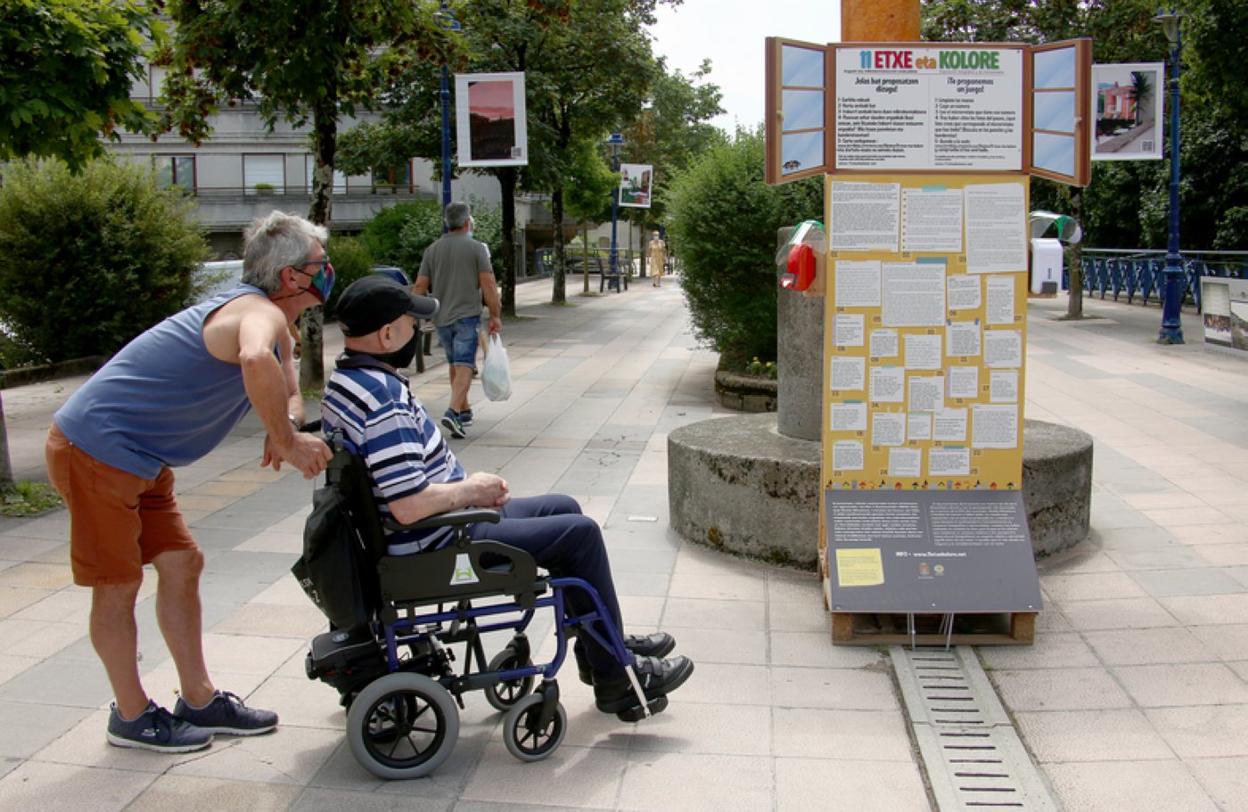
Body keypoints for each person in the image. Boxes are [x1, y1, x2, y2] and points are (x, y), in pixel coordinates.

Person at [321, 276, 694, 717]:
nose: (418, 330)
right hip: (437, 542)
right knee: (581, 534)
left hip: (431, 531)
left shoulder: (347, 382)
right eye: (410, 322)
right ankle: (617, 676)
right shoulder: (382, 399)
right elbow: (408, 505)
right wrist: (471, 491)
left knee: (563, 508)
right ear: (387, 334)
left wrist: (467, 493)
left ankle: (602, 648)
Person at [45, 211, 336, 753]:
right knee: (119, 584)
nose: (329, 272)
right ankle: (131, 717)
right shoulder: (256, 312)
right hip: (94, 450)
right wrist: (291, 446)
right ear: (293, 276)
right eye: (322, 264)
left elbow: (286, 381)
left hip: (142, 459)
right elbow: (253, 356)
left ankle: (199, 699)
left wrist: (285, 426)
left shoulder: (278, 322)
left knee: (182, 562)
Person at [413, 201, 502, 440]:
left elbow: (421, 285)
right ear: (466, 222)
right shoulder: (476, 248)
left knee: (455, 364)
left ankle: (463, 410)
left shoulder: (432, 250)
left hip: (441, 316)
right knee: (465, 363)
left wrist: (409, 313)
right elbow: (488, 283)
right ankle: (453, 411)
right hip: (466, 315)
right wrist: (495, 314)